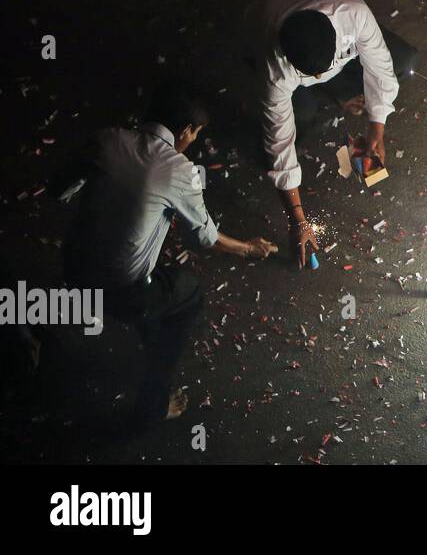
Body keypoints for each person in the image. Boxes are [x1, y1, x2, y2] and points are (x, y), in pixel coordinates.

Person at [61, 81, 277, 424]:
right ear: (186, 130)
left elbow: (62, 189)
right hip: (120, 290)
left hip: (72, 264)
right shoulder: (180, 170)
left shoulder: (107, 139)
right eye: (195, 135)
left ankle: (144, 322)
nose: (192, 143)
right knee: (186, 297)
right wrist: (248, 248)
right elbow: (204, 238)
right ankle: (153, 405)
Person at [252, 0, 419, 267]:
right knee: (301, 114)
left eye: (322, 72)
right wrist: (298, 220)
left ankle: (336, 90)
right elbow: (279, 142)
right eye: (312, 74)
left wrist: (376, 126)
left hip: (330, 30)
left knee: (404, 60)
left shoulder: (354, 15)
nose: (318, 74)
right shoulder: (275, 68)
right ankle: (324, 92)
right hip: (277, 25)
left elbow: (380, 66)